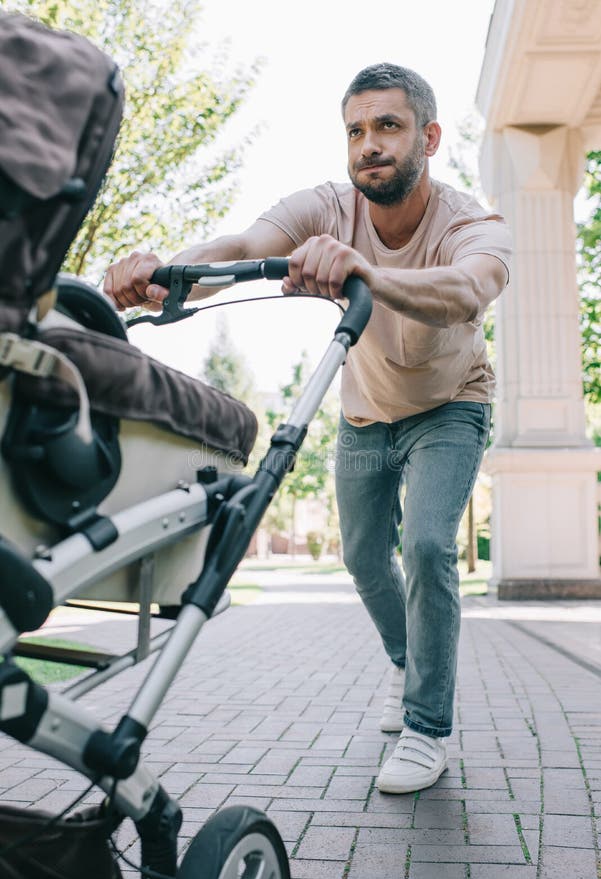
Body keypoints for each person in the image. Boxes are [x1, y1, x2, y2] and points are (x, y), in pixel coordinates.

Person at [104, 63, 511, 794]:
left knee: (423, 546)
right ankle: (403, 660)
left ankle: (426, 728)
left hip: (451, 404)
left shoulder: (469, 222)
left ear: (428, 136)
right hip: (363, 408)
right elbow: (237, 246)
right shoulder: (326, 204)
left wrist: (364, 271)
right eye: (355, 131)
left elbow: (465, 289)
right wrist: (164, 269)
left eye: (386, 127)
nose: (368, 146)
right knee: (361, 556)